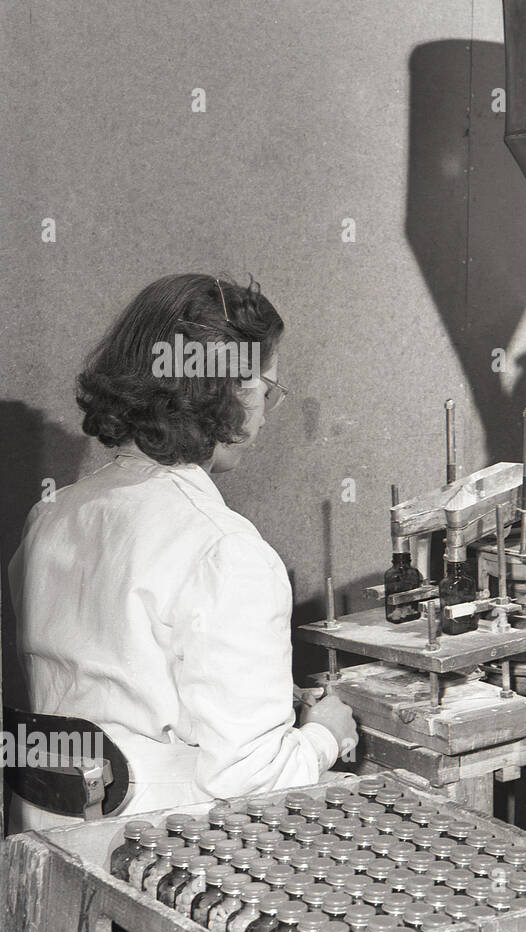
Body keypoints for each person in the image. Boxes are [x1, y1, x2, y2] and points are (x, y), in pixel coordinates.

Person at [7, 273, 357, 828]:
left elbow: (106, 691)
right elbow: (252, 782)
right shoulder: (226, 552)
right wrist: (324, 737)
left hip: (40, 834)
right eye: (266, 389)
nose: (266, 412)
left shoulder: (50, 518)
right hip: (153, 857)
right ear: (228, 390)